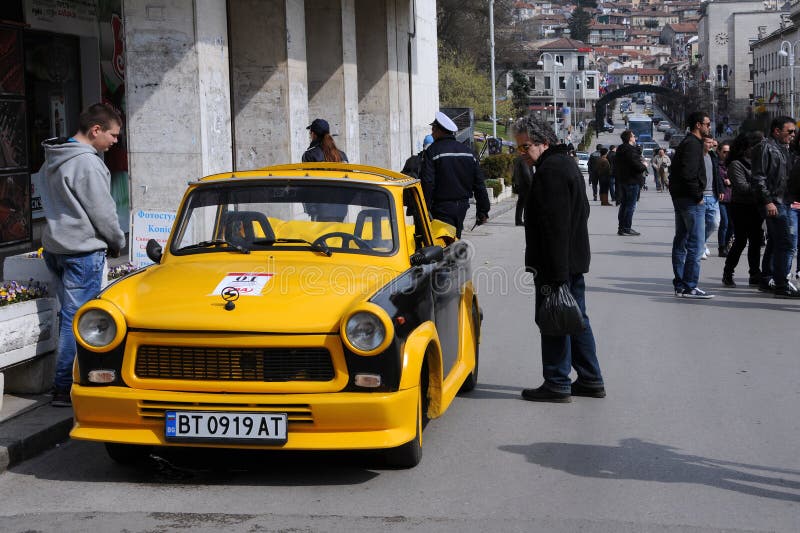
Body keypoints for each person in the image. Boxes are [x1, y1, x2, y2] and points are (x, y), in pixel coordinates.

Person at [40, 103, 127, 407]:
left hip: (55, 248)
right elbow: (103, 212)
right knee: (80, 324)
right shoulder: (87, 163)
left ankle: (65, 384)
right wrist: (118, 240)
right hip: (81, 253)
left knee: (69, 318)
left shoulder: (53, 157)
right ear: (96, 130)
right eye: (113, 135)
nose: (115, 142)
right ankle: (64, 388)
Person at [514, 116, 604, 403]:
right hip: (570, 261)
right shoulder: (564, 164)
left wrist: (555, 274)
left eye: (525, 147)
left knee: (554, 318)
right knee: (575, 318)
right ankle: (590, 379)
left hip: (556, 266)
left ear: (543, 142)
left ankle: (556, 381)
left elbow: (555, 227)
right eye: (519, 148)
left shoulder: (551, 171)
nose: (522, 154)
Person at [751, 115, 800, 298]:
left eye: (794, 131)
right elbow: (758, 178)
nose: (793, 135)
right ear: (777, 131)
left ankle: (768, 278)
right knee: (787, 243)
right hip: (775, 202)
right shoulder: (766, 147)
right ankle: (781, 284)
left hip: (784, 201)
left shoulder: (783, 149)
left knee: (776, 241)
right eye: (790, 131)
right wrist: (768, 201)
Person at [420, 111, 490, 238]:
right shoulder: (468, 152)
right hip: (462, 207)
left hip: (441, 208)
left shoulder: (432, 151)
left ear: (440, 130)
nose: (432, 133)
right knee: (455, 239)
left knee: (442, 243)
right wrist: (483, 211)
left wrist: (424, 208)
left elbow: (427, 182)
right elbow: (479, 184)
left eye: (433, 129)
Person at [669, 111, 714, 299]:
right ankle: (689, 286)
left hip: (682, 198)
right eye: (707, 124)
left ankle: (681, 284)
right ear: (698, 125)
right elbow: (688, 174)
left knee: (682, 241)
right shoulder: (692, 145)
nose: (709, 127)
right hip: (691, 200)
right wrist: (698, 196)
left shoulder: (688, 143)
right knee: (695, 244)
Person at [722, 131, 765, 287]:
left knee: (755, 242)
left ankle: (754, 274)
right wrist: (762, 186)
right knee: (740, 241)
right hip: (741, 207)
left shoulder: (759, 163)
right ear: (746, 147)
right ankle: (728, 272)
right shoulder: (736, 164)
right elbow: (742, 187)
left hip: (756, 207)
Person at [302, 118, 349, 221]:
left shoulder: (310, 155)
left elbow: (307, 185)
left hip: (320, 211)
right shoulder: (341, 155)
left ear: (313, 134)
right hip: (341, 210)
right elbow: (350, 182)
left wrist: (311, 210)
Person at [614, 130, 647, 236]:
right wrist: (644, 165)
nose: (635, 137)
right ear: (629, 138)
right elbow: (636, 165)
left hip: (622, 180)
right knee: (630, 205)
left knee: (624, 204)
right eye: (633, 136)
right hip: (632, 180)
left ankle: (621, 228)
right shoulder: (630, 150)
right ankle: (627, 227)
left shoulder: (620, 149)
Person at [700, 135, 724, 260]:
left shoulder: (713, 156)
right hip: (701, 196)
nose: (711, 145)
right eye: (708, 142)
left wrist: (720, 190)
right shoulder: (697, 156)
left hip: (713, 195)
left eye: (712, 143)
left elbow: (717, 175)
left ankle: (702, 241)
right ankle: (700, 247)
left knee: (715, 223)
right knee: (700, 224)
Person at [716, 140, 735, 257]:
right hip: (722, 198)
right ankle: (721, 247)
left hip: (733, 198)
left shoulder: (734, 164)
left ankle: (728, 244)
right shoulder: (716, 165)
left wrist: (731, 181)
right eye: (724, 152)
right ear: (719, 152)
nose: (726, 154)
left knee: (732, 224)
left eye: (729, 152)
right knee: (725, 222)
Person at [512, 150, 533, 226]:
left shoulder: (518, 159)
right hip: (525, 185)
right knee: (526, 203)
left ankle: (518, 220)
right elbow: (526, 173)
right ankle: (524, 219)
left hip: (519, 184)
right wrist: (531, 183)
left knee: (521, 203)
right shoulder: (524, 159)